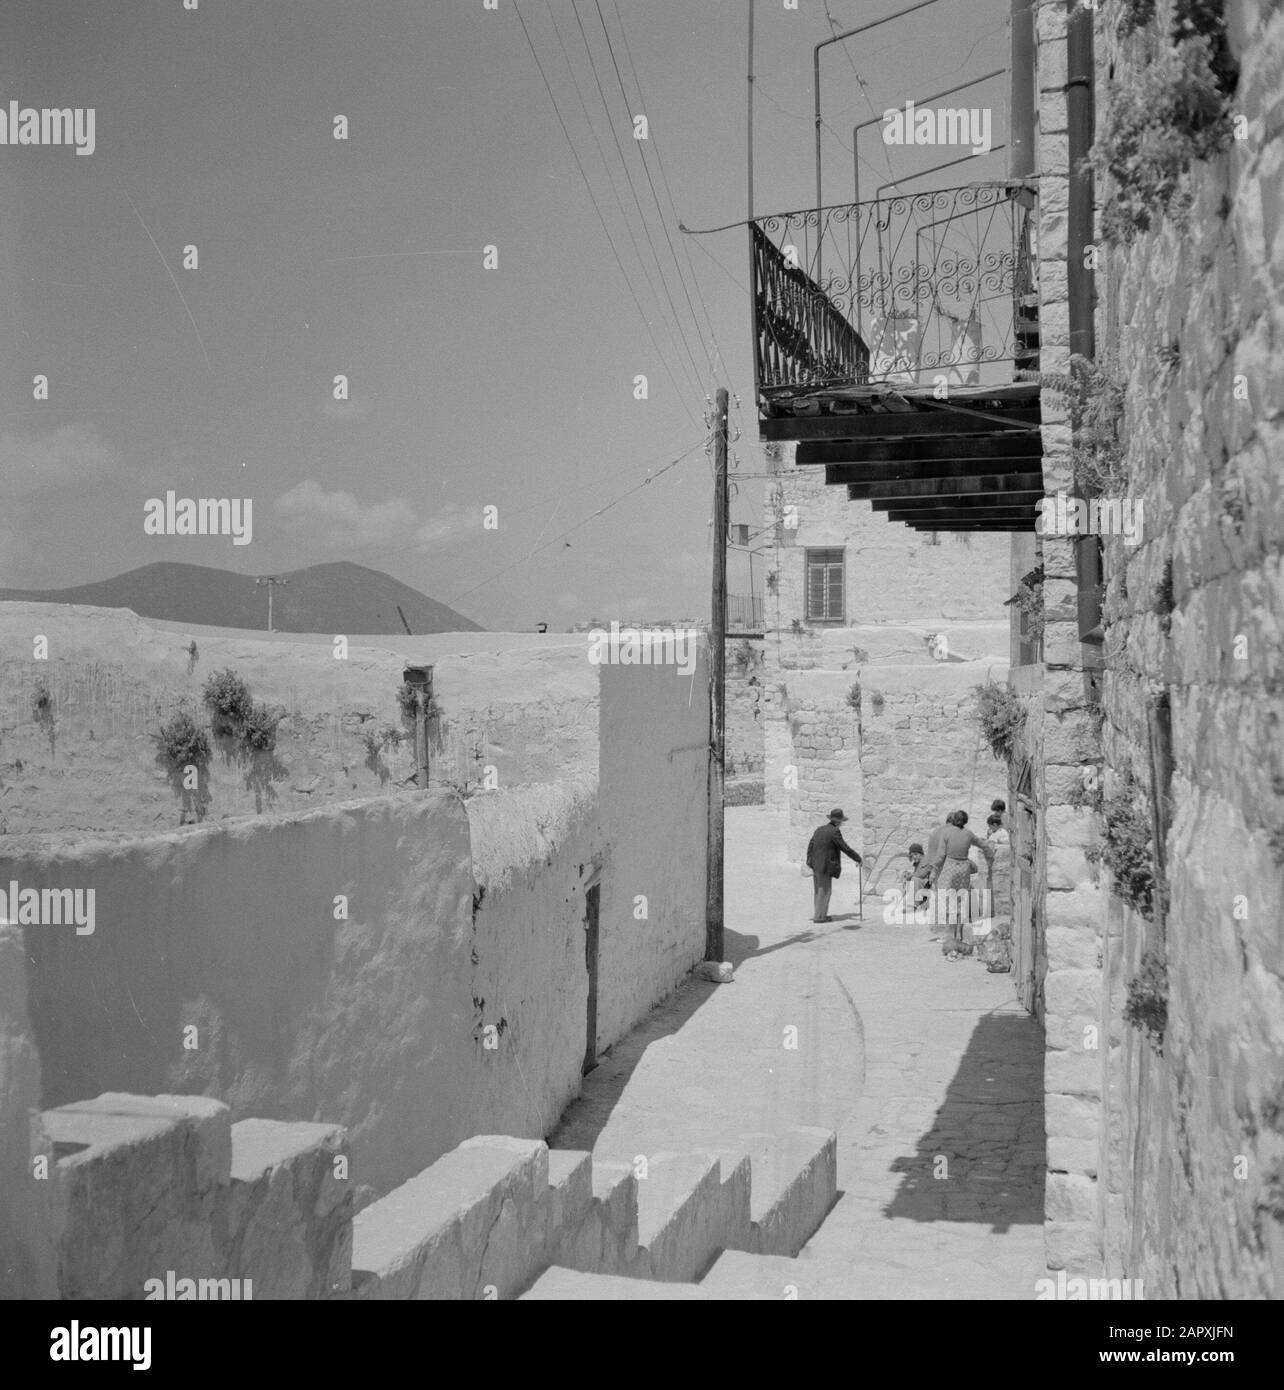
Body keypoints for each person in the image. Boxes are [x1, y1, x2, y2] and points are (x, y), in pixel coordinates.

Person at [931, 810, 995, 959]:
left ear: (953, 820)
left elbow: (940, 855)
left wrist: (934, 871)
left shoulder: (946, 833)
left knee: (947, 901)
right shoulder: (968, 834)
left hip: (950, 868)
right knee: (960, 901)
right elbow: (983, 845)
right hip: (964, 869)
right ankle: (958, 935)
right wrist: (990, 857)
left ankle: (949, 936)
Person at [805, 808, 862, 923]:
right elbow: (845, 848)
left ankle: (820, 914)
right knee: (825, 890)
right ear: (838, 821)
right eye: (841, 822)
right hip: (825, 866)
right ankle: (819, 917)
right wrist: (858, 858)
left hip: (815, 865)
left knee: (818, 890)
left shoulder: (819, 829)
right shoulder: (835, 832)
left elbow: (810, 845)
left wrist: (809, 861)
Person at [901, 842, 933, 912]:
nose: (914, 857)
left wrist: (911, 875)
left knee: (915, 879)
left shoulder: (926, 860)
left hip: (930, 887)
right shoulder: (918, 863)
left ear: (921, 854)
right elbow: (917, 874)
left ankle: (913, 906)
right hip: (924, 887)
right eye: (912, 855)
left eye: (916, 854)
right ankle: (911, 902)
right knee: (910, 880)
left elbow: (922, 874)